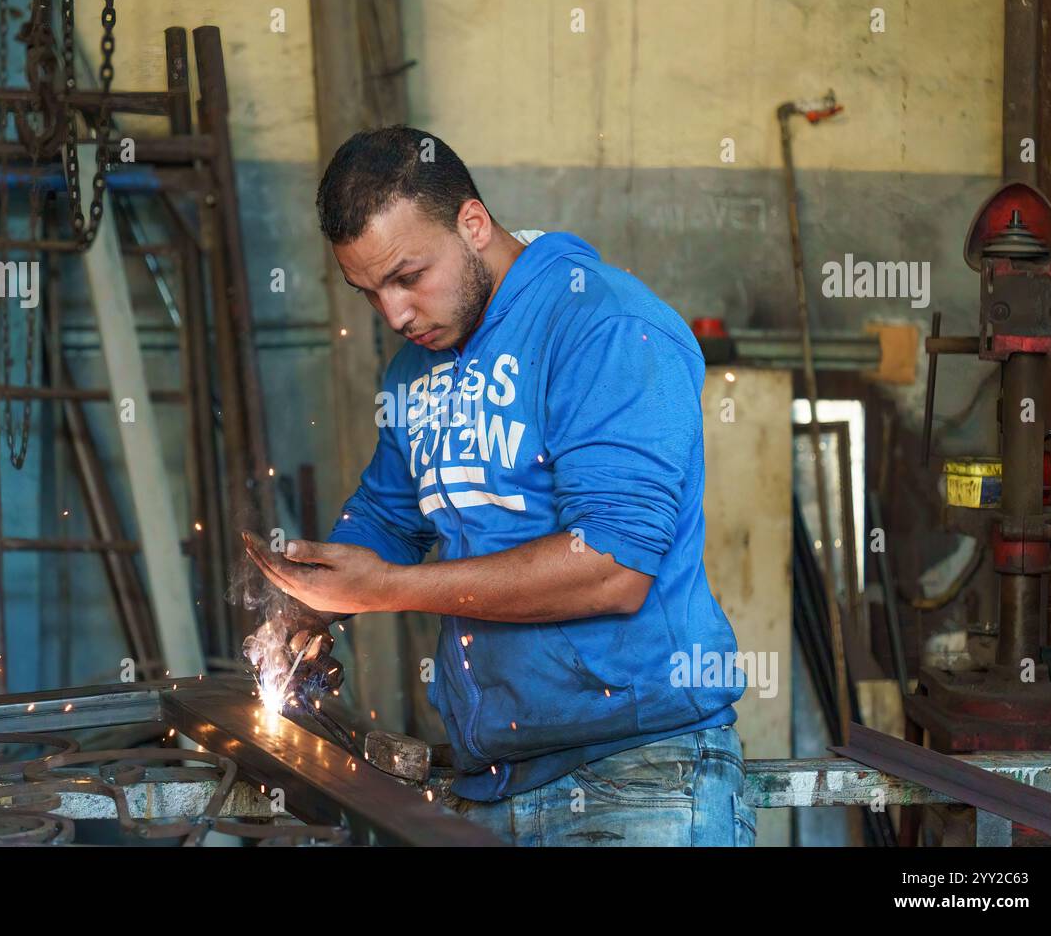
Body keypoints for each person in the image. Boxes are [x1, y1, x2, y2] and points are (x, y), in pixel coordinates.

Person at [243, 125, 755, 847]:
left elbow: (612, 569)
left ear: (473, 224)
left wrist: (384, 588)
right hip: (492, 787)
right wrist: (305, 608)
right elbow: (389, 517)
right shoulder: (416, 368)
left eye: (407, 276)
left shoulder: (604, 327)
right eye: (368, 293)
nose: (393, 315)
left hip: (643, 782)